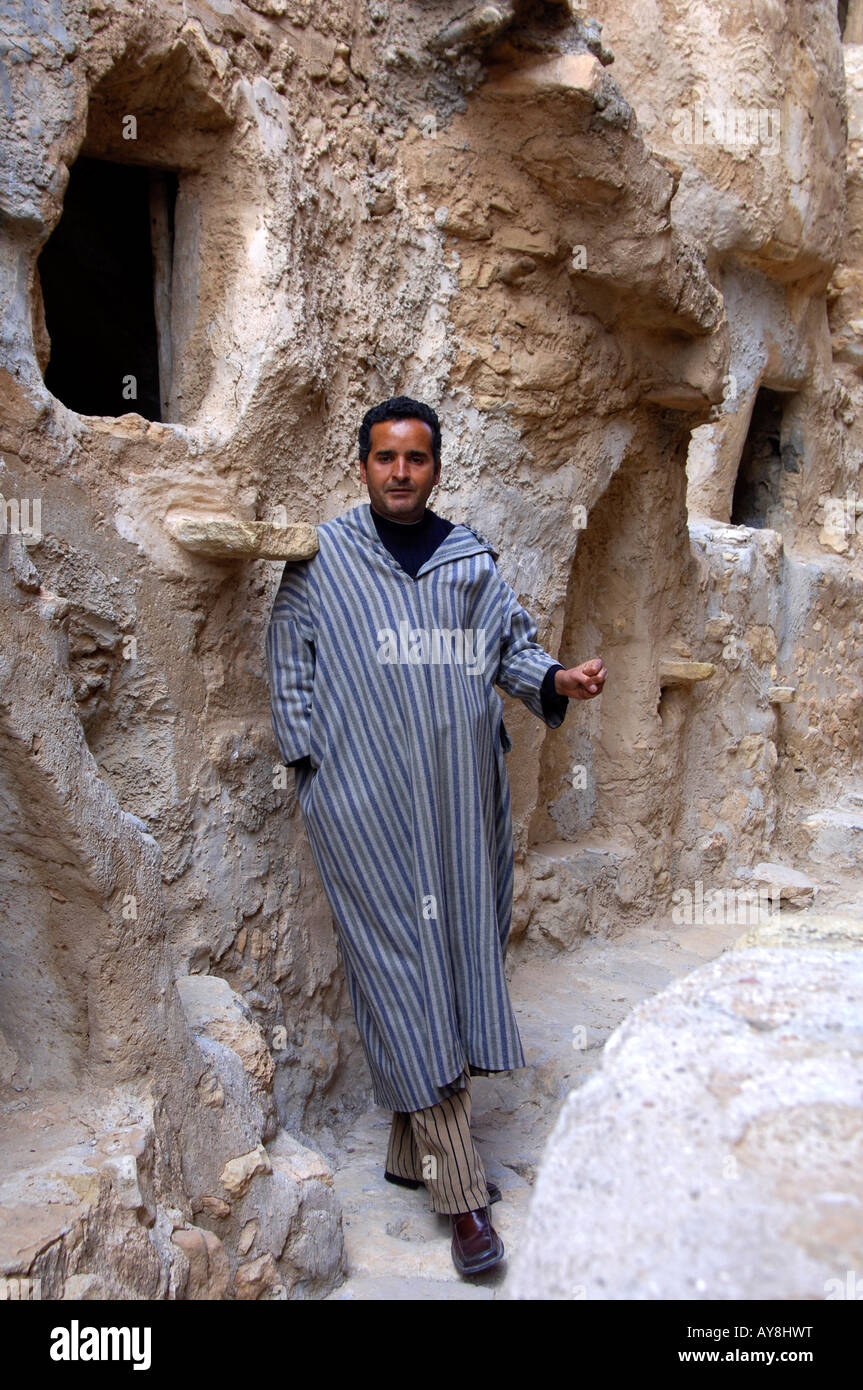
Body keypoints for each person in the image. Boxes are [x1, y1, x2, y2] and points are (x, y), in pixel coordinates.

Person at [265, 396, 607, 1277]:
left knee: (452, 957)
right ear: (364, 464)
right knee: (402, 972)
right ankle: (464, 1199)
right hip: (362, 808)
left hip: (458, 808)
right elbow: (289, 658)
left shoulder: (468, 564)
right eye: (385, 457)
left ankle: (403, 1151)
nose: (400, 472)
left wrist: (556, 677)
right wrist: (312, 764)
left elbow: (511, 652)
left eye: (415, 458)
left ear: (436, 467)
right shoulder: (324, 559)